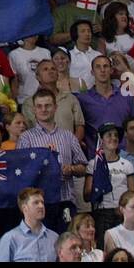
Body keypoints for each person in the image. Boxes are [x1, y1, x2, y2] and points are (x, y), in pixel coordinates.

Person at [18, 88, 87, 232]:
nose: (44, 109)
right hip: (37, 203)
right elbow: (21, 172)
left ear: (55, 107)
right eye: (39, 106)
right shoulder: (26, 138)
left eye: (48, 105)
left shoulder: (68, 136)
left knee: (66, 243)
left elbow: (83, 167)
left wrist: (71, 169)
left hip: (64, 199)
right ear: (34, 109)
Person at [85, 123, 134, 247]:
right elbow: (86, 195)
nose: (113, 138)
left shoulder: (127, 164)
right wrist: (98, 185)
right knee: (105, 247)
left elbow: (132, 193)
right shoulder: (94, 164)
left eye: (116, 135)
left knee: (126, 246)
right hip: (102, 213)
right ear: (101, 140)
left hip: (123, 212)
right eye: (109, 135)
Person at [76, 54, 134, 150]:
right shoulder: (83, 99)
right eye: (98, 67)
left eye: (105, 66)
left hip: (125, 155)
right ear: (92, 72)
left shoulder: (126, 95)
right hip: (98, 157)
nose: (102, 70)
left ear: (111, 70)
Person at [0, 188, 58, 262]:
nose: (41, 206)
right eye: (36, 202)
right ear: (24, 208)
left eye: (42, 202)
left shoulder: (54, 237)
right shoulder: (10, 239)